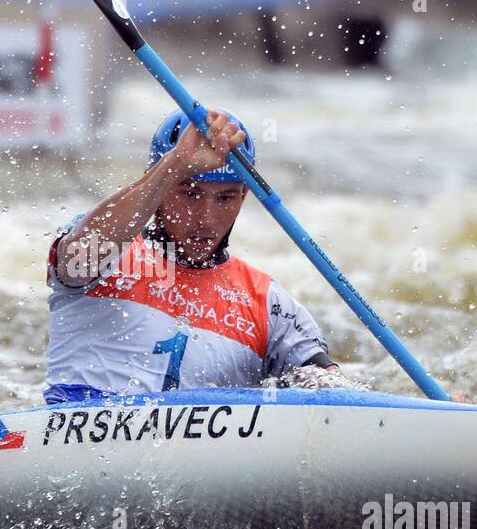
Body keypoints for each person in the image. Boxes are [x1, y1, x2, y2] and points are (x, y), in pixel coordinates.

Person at [43, 108, 356, 404]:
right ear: (160, 184)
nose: (206, 218)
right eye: (190, 193)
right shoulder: (109, 251)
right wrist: (175, 164)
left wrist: (338, 390)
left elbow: (328, 390)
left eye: (225, 198)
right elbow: (79, 256)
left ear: (244, 195)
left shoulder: (270, 305)